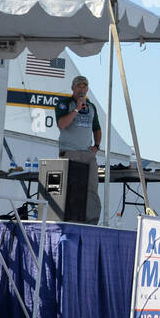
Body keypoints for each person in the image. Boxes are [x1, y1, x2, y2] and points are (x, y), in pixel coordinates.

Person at [54, 75, 103, 223]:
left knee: (91, 188)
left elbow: (97, 128)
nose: (82, 89)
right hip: (70, 152)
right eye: (79, 86)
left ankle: (91, 220)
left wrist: (96, 145)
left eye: (84, 86)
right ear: (73, 88)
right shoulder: (64, 104)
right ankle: (68, 219)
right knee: (70, 188)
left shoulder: (91, 107)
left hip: (87, 154)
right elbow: (62, 124)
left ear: (87, 88)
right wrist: (76, 108)